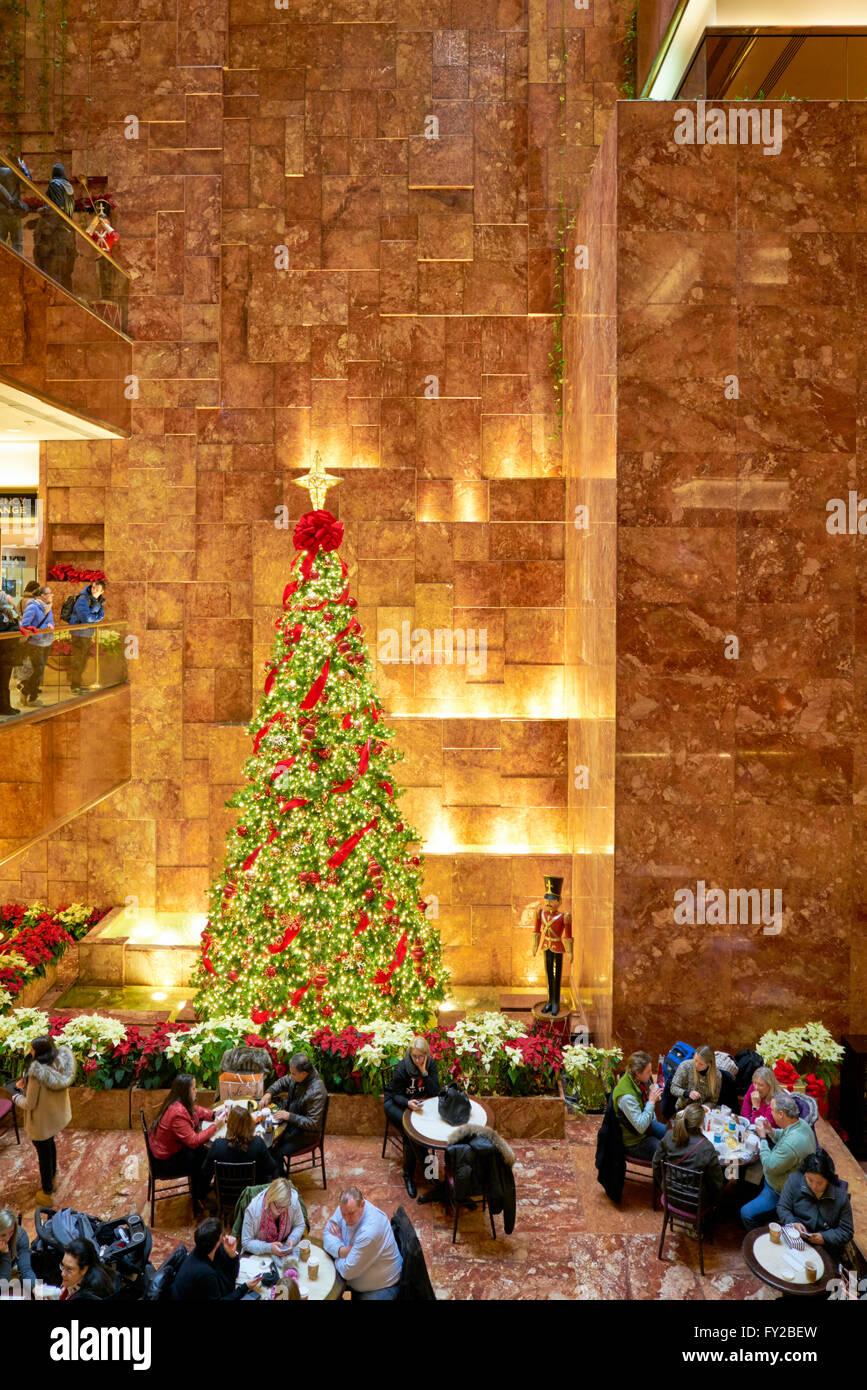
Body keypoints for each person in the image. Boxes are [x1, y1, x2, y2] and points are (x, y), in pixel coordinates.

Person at [12, 1034, 75, 1203]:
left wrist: (16, 1096)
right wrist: (26, 1084)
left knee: (43, 1155)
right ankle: (52, 1178)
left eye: (32, 1049)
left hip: (41, 1121)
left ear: (39, 1052)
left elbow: (30, 1103)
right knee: (49, 1146)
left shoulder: (36, 1074)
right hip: (53, 1118)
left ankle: (47, 1192)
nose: (30, 1051)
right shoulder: (59, 1063)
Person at [740, 1091, 816, 1231]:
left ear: (781, 1114)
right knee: (748, 1182)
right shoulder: (801, 1124)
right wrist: (771, 1131)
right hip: (783, 1179)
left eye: (772, 1110)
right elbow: (784, 1134)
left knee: (746, 1213)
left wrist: (763, 1138)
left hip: (780, 1191)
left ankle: (760, 1235)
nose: (771, 1113)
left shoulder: (792, 1144)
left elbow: (769, 1167)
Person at [148, 1073, 217, 1210]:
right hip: (165, 1162)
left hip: (167, 1149)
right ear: (185, 1091)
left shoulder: (178, 1102)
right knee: (207, 1156)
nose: (196, 1091)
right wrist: (215, 1127)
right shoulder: (177, 1113)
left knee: (203, 1152)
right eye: (194, 1088)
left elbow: (196, 1110)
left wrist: (213, 1115)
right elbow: (193, 1141)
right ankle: (200, 1194)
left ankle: (200, 1187)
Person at [384, 1034, 441, 1198]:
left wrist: (424, 1072)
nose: (417, 1060)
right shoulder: (403, 1067)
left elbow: (435, 1091)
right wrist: (407, 1103)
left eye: (420, 1056)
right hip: (396, 1103)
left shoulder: (430, 1065)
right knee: (409, 1131)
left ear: (426, 1054)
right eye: (414, 1056)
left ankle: (424, 1171)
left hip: (417, 1104)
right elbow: (395, 1094)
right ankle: (414, 1174)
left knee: (417, 1130)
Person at [322, 1187, 403, 1301]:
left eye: (351, 1214)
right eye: (343, 1214)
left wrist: (336, 1252)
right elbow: (327, 1233)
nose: (346, 1219)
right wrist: (341, 1250)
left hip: (381, 1287)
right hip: (357, 1277)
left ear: (362, 1205)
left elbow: (347, 1271)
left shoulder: (370, 1232)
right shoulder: (346, 1206)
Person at [776, 1149, 855, 1264]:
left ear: (828, 1180)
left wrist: (824, 1238)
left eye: (820, 1183)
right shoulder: (794, 1180)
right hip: (795, 1237)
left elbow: (847, 1231)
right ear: (805, 1174)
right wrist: (793, 1222)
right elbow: (783, 1207)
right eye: (810, 1180)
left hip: (825, 1247)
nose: (814, 1186)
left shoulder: (840, 1197)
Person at [261, 1053, 327, 1172]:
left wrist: (289, 1116)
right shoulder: (298, 1076)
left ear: (304, 1073)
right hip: (292, 1123)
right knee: (267, 1140)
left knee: (274, 1151)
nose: (290, 1076)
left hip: (306, 1134)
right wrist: (269, 1093)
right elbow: (282, 1082)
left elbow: (314, 1124)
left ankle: (278, 1179)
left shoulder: (316, 1091)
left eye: (293, 1074)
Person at [652, 1102, 725, 1208]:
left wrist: (662, 1184)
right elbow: (717, 1182)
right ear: (701, 1123)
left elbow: (656, 1163)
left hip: (669, 1194)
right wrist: (715, 1200)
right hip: (695, 1202)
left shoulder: (669, 1136)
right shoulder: (707, 1147)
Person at [171, 1217, 262, 1301]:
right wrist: (244, 1288)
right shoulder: (205, 1272)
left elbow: (233, 1275)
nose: (225, 1237)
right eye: (222, 1235)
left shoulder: (212, 1249)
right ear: (218, 1240)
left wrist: (232, 1254)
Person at [202, 1104, 276, 1191]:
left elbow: (205, 1171)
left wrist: (219, 1143)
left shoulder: (218, 1145)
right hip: (252, 1192)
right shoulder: (258, 1143)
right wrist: (263, 1145)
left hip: (225, 1192)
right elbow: (271, 1168)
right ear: (250, 1125)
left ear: (229, 1125)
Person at [611, 1050, 666, 1158]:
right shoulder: (626, 1097)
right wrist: (651, 1102)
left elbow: (650, 1117)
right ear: (637, 1073)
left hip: (648, 1126)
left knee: (675, 1136)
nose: (651, 1074)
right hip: (635, 1140)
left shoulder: (638, 1080)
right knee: (666, 1152)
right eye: (648, 1071)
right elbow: (641, 1127)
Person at [33, 164, 77, 291]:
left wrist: (42, 211)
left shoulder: (55, 184)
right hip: (67, 231)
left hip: (54, 232)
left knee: (51, 269)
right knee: (64, 272)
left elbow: (56, 208)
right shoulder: (69, 186)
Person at [240, 1177, 305, 1256]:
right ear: (269, 1199)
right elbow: (246, 1242)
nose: (281, 1210)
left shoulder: (292, 1202)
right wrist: (269, 1247)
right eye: (278, 1206)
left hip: (282, 1246)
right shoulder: (253, 1210)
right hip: (259, 1253)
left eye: (285, 1207)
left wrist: (292, 1239)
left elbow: (300, 1225)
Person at [66, 579, 105, 693]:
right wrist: (95, 617)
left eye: (97, 589)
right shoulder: (82, 599)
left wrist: (94, 617)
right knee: (78, 660)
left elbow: (101, 615)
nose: (94, 590)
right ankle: (75, 686)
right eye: (93, 587)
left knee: (83, 659)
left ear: (102, 592)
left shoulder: (98, 600)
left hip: (87, 633)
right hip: (79, 633)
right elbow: (86, 618)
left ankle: (77, 684)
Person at [19, 584, 54, 706]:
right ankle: (26, 691)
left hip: (47, 642)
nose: (51, 595)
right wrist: (44, 627)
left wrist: (51, 625)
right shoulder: (33, 607)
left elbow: (51, 622)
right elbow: (25, 624)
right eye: (49, 593)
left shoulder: (48, 607)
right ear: (41, 596)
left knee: (40, 670)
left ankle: (31, 696)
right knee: (38, 670)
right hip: (35, 643)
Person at [670, 1045, 721, 1110]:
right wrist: (687, 1093)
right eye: (696, 1060)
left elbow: (713, 1101)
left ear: (709, 1064)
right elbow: (673, 1088)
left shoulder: (717, 1076)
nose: (696, 1065)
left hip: (703, 1111)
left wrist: (705, 1107)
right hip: (683, 1108)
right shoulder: (685, 1066)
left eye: (701, 1064)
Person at [0, 1207, 33, 1287]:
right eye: (3, 1235)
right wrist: (5, 1255)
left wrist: (35, 1287)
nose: (8, 1238)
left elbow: (26, 1269)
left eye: (11, 1232)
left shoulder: (20, 1236)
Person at [0, 589, 21, 717]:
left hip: (7, 653)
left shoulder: (6, 613)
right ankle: (4, 707)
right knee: (3, 682)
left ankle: (6, 706)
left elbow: (17, 623)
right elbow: (11, 628)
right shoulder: (3, 615)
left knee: (4, 682)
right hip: (4, 653)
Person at [0, 166, 27, 254]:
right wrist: (24, 169)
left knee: (2, 243)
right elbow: (27, 185)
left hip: (2, 212)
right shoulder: (16, 171)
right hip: (14, 212)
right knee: (17, 244)